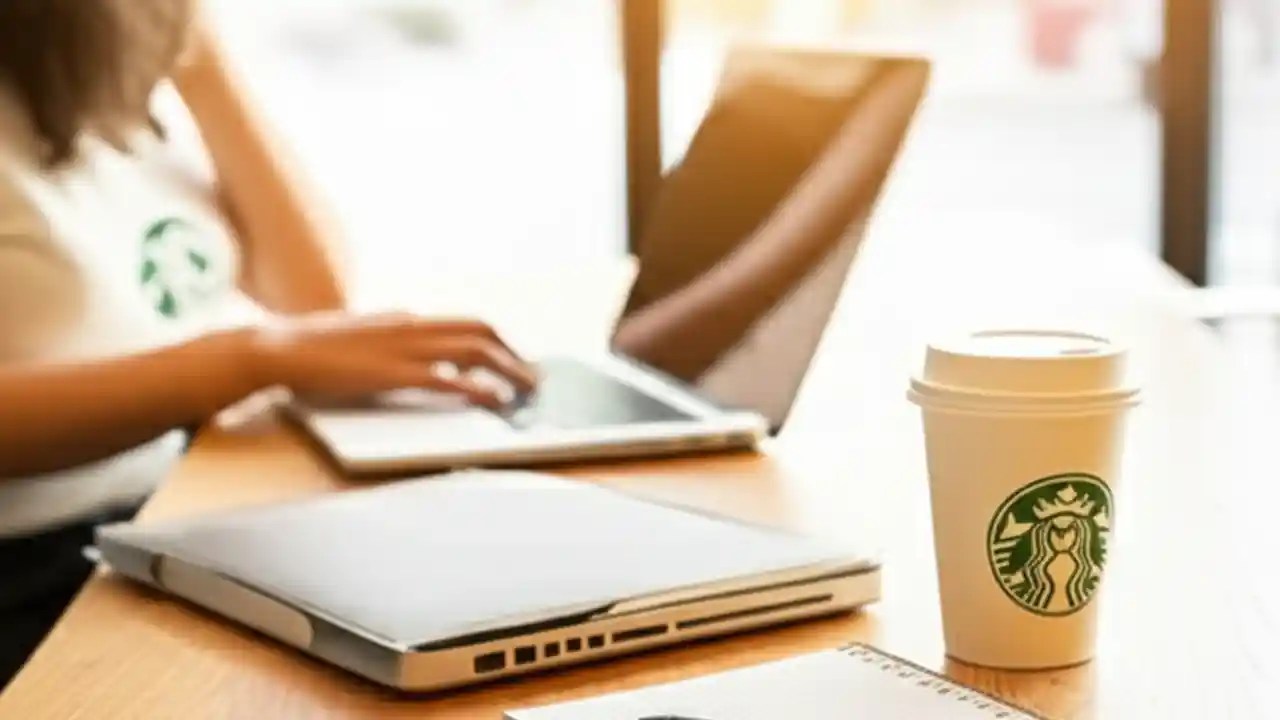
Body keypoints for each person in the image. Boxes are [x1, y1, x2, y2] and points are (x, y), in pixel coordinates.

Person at [0, 0, 536, 686]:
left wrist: (194, 52)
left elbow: (311, 295)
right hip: (30, 574)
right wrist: (246, 360)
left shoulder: (98, 80)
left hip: (168, 511)